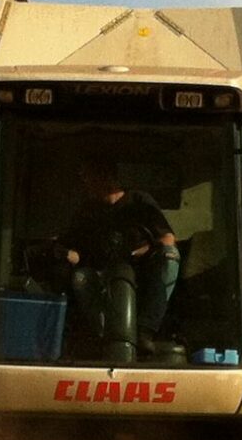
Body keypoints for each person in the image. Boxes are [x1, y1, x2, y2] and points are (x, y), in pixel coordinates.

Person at [59, 156, 181, 364]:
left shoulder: (139, 201)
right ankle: (106, 334)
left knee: (169, 256)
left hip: (143, 271)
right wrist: (67, 253)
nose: (85, 184)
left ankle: (144, 331)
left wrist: (148, 250)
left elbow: (167, 238)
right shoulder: (87, 211)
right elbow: (71, 246)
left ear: (106, 177)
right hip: (103, 275)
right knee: (81, 277)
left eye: (88, 178)